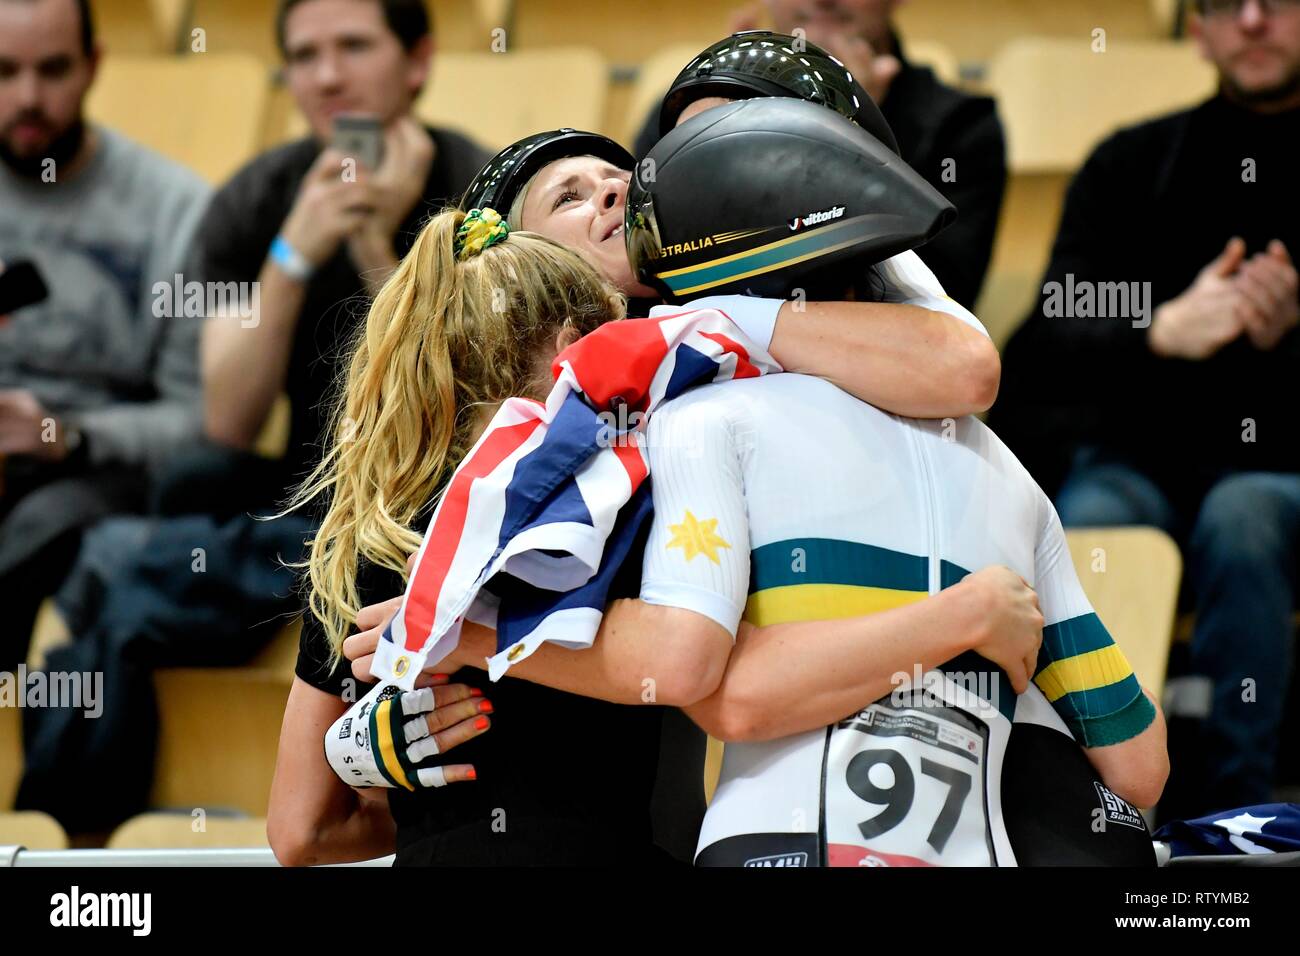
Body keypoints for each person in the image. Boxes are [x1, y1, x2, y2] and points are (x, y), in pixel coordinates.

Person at [269, 204, 1045, 867]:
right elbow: (689, 665)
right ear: (578, 332)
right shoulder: (633, 478)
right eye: (571, 194)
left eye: (619, 183)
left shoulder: (371, 526)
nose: (611, 197)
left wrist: (432, 678)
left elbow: (306, 829)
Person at [14, 0, 489, 834]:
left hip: (435, 492)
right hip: (309, 486)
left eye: (353, 47)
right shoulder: (263, 194)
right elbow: (229, 417)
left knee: (126, 570)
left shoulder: (480, 186)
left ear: (417, 59)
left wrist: (383, 251)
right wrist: (293, 255)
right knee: (195, 485)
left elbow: (458, 411)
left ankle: (70, 804)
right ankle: (71, 819)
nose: (328, 75)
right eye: (305, 56)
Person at [992, 0, 1300, 821]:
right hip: (1135, 458)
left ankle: (1240, 807)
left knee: (1245, 517)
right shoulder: (1135, 161)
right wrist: (1157, 325)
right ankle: (1097, 808)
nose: (1254, 20)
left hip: (1278, 470)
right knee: (1090, 519)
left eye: (1278, 2)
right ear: (1197, 31)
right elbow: (1048, 322)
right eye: (1225, 5)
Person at [0, 0, 210, 667]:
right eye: (3, 72)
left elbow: (198, 425)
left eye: (52, 69)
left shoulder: (172, 207)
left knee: (37, 529)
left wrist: (63, 436)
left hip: (96, 467)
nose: (28, 98)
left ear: (93, 67)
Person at [633, 13, 1007, 309]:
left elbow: (948, 290)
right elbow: (650, 264)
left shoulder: (963, 123)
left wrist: (853, 132)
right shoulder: (684, 112)